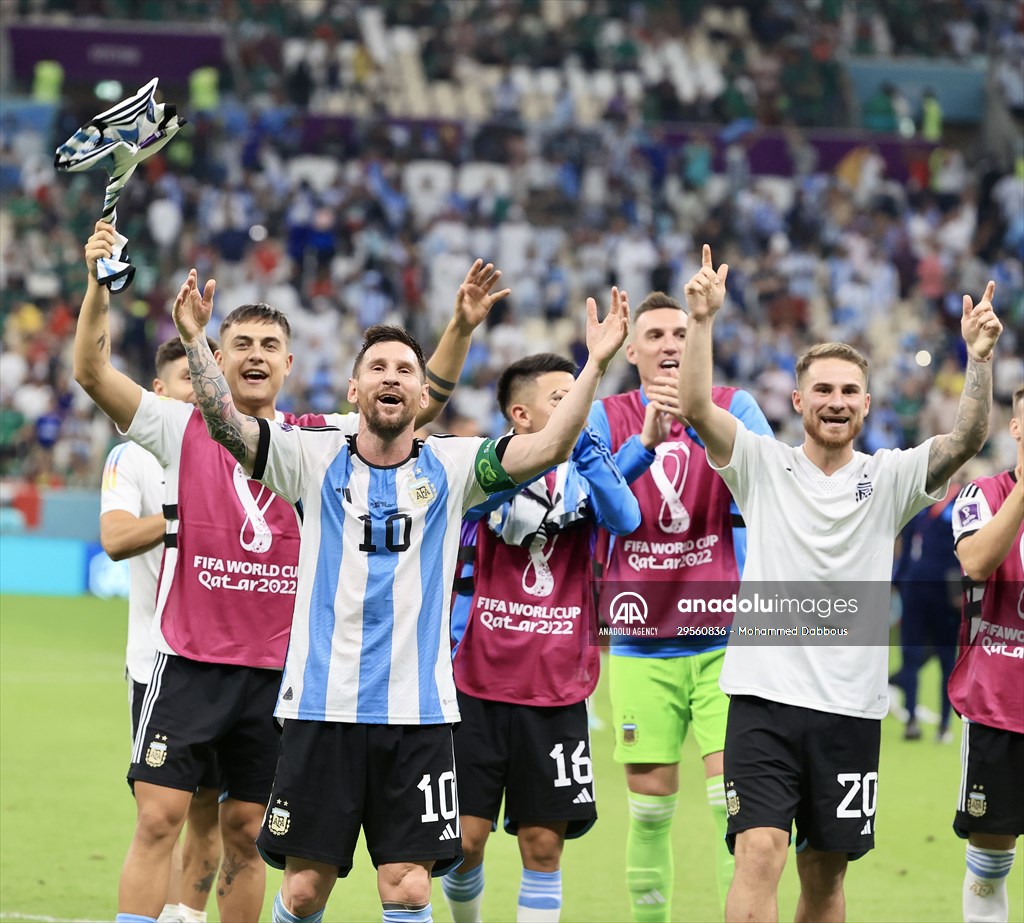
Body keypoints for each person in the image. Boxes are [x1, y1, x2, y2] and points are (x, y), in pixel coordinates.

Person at [74, 219, 509, 923]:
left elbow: (416, 401)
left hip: (283, 676)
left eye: (269, 346)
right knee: (157, 820)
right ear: (217, 356)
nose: (255, 355)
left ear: (289, 363)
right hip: (188, 661)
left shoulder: (320, 438)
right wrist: (99, 287)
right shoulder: (180, 426)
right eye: (241, 344)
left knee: (250, 834)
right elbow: (92, 374)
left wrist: (458, 327)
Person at [171, 275, 629, 923]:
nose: (392, 376)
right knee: (304, 890)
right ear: (354, 390)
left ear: (422, 394)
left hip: (419, 716)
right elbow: (225, 424)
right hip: (322, 709)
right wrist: (195, 339)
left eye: (406, 369)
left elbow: (551, 445)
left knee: (410, 886)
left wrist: (597, 363)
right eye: (378, 367)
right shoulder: (308, 456)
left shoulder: (458, 466)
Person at [677, 243, 1003, 923]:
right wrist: (701, 321)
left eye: (849, 391)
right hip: (762, 700)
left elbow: (968, 437)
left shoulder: (889, 477)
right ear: (798, 400)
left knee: (825, 879)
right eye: (823, 390)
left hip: (850, 710)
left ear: (867, 404)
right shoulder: (761, 464)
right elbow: (697, 407)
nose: (836, 401)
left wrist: (978, 358)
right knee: (758, 851)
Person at [586, 291, 773, 920]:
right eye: (656, 335)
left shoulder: (734, 407)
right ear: (630, 350)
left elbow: (770, 485)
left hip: (727, 643)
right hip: (640, 642)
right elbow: (600, 509)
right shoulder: (603, 416)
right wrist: (644, 443)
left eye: (681, 334)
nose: (670, 344)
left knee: (734, 810)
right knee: (649, 810)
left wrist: (699, 419)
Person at [441, 353, 641, 923]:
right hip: (476, 684)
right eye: (560, 398)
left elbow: (626, 518)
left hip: (557, 689)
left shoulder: (587, 475)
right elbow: (478, 507)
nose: (575, 407)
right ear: (520, 415)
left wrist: (584, 448)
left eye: (578, 398)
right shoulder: (480, 468)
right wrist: (533, 459)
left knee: (544, 846)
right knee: (464, 842)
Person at [100, 337, 222, 923]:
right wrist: (185, 512)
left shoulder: (253, 452)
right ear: (158, 391)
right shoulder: (133, 458)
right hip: (158, 663)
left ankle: (186, 917)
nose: (198, 388)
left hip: (232, 667)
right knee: (159, 815)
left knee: (213, 815)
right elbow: (116, 538)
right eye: (186, 377)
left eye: (207, 376)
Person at [949, 383, 1023, 923]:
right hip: (998, 704)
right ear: (1016, 427)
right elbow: (976, 562)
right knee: (989, 863)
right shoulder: (983, 493)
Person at [890, 480, 963, 742]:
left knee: (947, 660)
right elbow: (906, 546)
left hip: (947, 593)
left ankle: (944, 724)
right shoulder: (918, 500)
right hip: (915, 589)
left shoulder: (962, 501)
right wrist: (897, 582)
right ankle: (911, 720)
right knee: (910, 656)